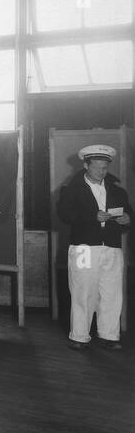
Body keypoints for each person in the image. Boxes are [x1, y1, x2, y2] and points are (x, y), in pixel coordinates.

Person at [57, 143, 131, 350]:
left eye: (105, 168)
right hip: (84, 248)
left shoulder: (118, 191)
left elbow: (129, 214)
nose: (102, 171)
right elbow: (64, 215)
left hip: (112, 248)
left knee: (112, 292)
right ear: (86, 165)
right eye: (97, 167)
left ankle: (109, 335)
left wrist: (127, 219)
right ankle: (79, 336)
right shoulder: (71, 189)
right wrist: (92, 216)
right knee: (83, 291)